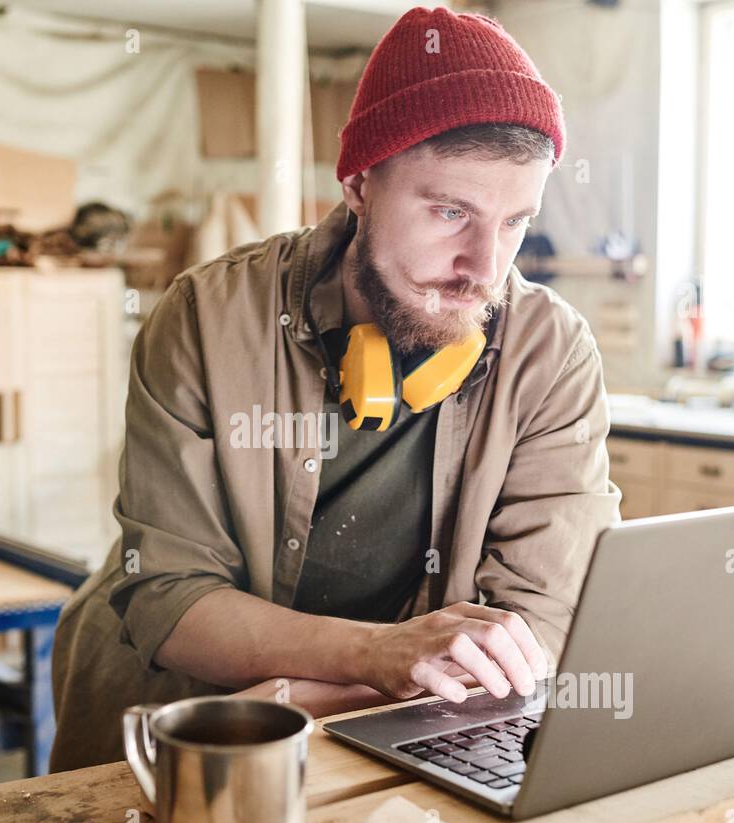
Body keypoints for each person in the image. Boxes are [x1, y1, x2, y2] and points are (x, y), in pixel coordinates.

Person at [49, 6, 622, 772]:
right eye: (450, 211)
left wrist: (342, 691)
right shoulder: (203, 316)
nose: (483, 267)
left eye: (515, 221)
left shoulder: (551, 353)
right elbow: (170, 596)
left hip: (391, 721)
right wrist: (379, 655)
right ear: (358, 182)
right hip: (188, 718)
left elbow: (543, 621)